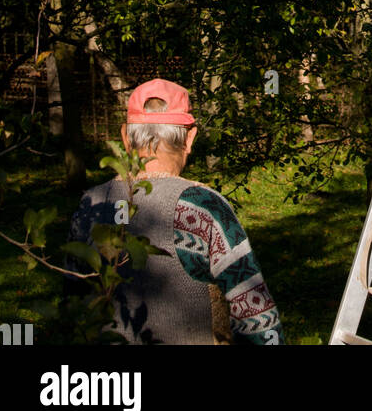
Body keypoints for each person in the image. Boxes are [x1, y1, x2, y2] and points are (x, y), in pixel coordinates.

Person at [66, 78, 286, 345]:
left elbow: (73, 304)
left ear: (125, 137)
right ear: (190, 136)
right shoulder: (201, 207)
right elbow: (254, 312)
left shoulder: (90, 205)